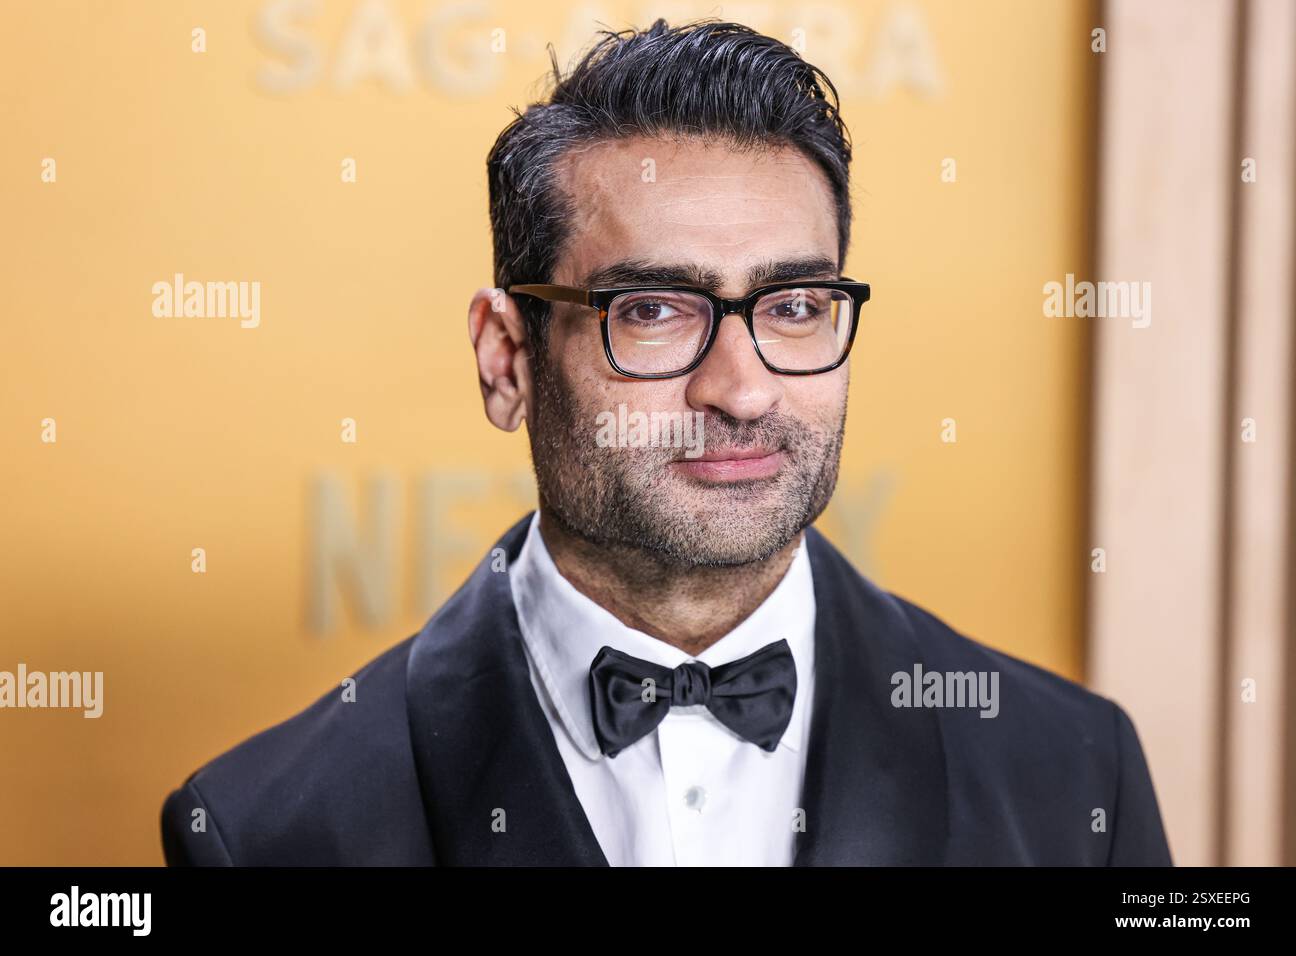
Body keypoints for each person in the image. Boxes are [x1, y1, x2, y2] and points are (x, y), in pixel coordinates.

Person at [161, 18, 1173, 866]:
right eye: (651, 310)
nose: (740, 388)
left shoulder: (1079, 776)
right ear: (507, 358)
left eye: (794, 305)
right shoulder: (262, 830)